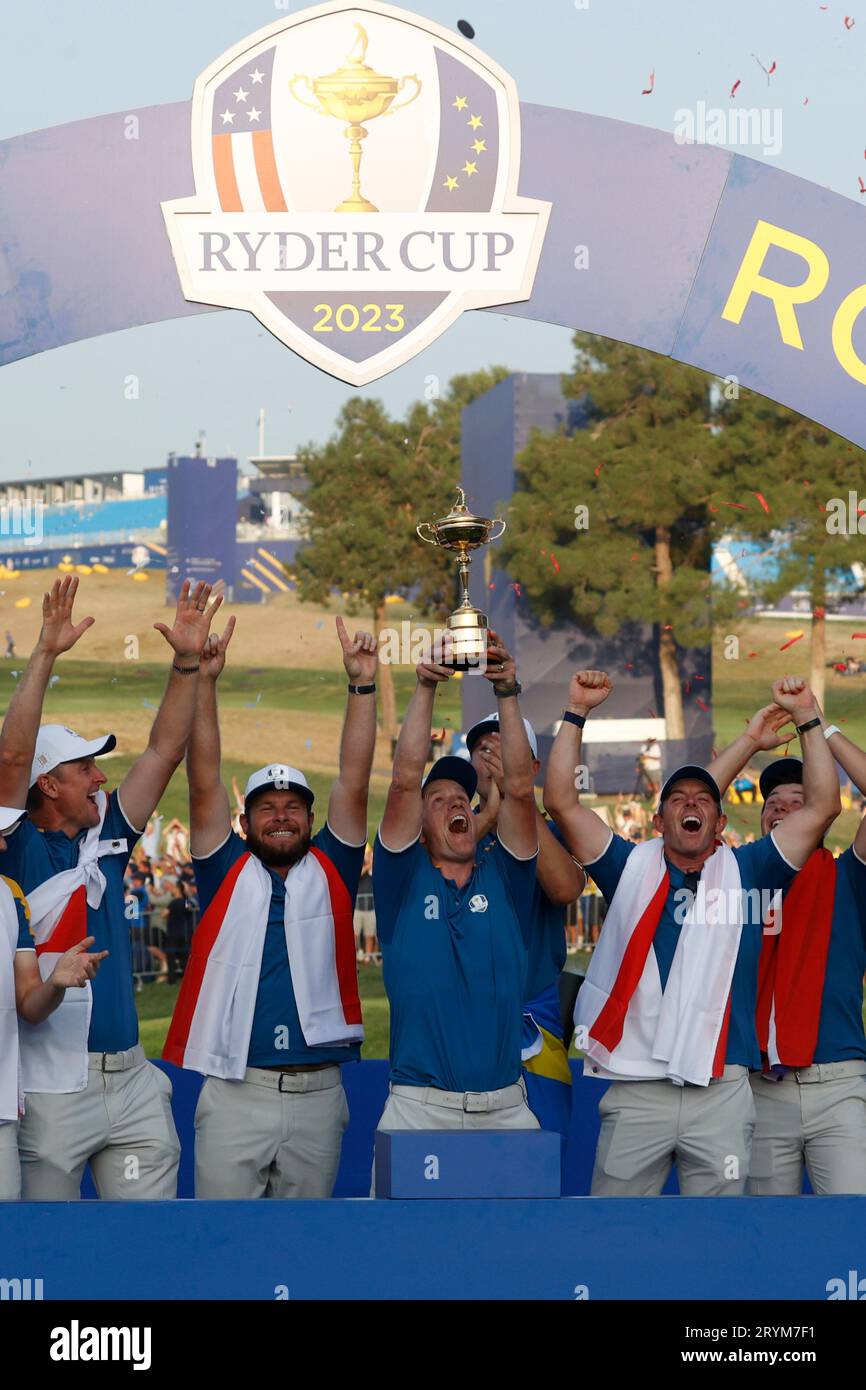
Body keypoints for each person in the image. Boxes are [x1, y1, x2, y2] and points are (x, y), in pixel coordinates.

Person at [544, 671, 840, 1197]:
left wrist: (808, 717)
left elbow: (822, 808)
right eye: (677, 799)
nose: (691, 805)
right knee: (616, 1233)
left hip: (721, 1086)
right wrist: (576, 712)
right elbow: (562, 801)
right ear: (659, 823)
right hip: (638, 1084)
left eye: (703, 799)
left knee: (719, 1237)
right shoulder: (627, 866)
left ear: (721, 822)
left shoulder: (749, 871)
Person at [0, 573, 220, 1200]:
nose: (101, 779)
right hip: (49, 1093)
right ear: (48, 786)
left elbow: (163, 751)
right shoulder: (14, 848)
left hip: (130, 1083)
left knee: (144, 1248)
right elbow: (11, 760)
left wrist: (184, 662)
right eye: (84, 768)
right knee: (51, 1260)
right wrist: (44, 652)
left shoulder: (110, 838)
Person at [164, 614, 377, 1200]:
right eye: (266, 807)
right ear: (245, 821)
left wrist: (362, 684)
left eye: (293, 807)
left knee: (306, 1255)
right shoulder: (224, 866)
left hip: (318, 1094)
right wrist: (205, 681)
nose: (281, 815)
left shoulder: (332, 862)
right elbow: (203, 778)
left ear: (311, 820)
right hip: (236, 1089)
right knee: (226, 1248)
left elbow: (353, 782)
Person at [372, 630, 549, 1139]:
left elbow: (517, 788)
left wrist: (507, 692)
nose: (455, 804)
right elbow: (405, 779)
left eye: (462, 798)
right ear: (419, 829)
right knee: (398, 1220)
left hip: (508, 1110)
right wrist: (426, 685)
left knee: (522, 1222)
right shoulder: (401, 881)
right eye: (439, 800)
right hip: (417, 1109)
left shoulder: (507, 878)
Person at [708, 709, 866, 1194]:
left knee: (851, 1228)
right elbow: (684, 810)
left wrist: (818, 725)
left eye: (800, 802)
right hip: (757, 1085)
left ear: (821, 815)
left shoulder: (847, 875)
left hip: (837, 1083)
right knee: (763, 1236)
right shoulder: (733, 877)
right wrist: (748, 744)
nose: (781, 810)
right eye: (772, 803)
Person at [468, 710, 584, 1151]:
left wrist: (518, 800)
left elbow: (564, 888)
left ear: (533, 769)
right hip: (463, 1021)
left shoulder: (550, 832)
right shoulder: (451, 833)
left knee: (541, 1155)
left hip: (535, 1016)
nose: (493, 760)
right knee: (461, 1166)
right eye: (484, 751)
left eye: (508, 753)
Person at [1, 804, 108, 1200]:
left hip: (1, 1115)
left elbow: (30, 1003)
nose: (1, 845)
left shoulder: (9, 895)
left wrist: (57, 984)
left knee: (8, 1244)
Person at [354, 844, 377, 963]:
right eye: (369, 855)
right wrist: (368, 864)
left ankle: (367, 957)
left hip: (371, 909)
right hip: (358, 908)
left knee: (369, 935)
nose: (371, 857)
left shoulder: (374, 870)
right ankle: (354, 955)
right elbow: (358, 875)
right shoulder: (361, 867)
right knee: (355, 934)